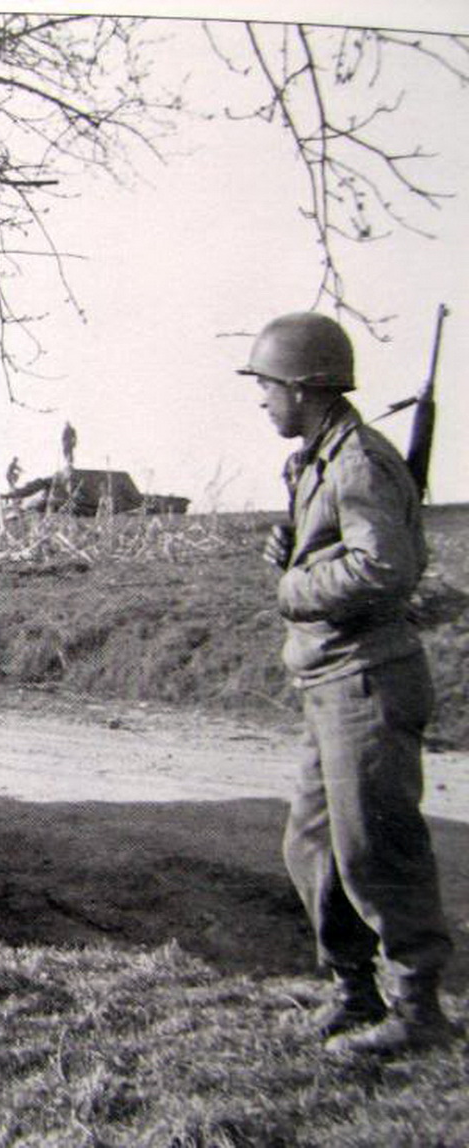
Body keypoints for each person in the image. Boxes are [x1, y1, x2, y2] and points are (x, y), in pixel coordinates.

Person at [237, 311, 454, 1055]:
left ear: (302, 387)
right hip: (330, 680)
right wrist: (291, 547)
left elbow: (385, 566)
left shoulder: (358, 460)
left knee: (375, 847)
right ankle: (354, 991)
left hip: (368, 681)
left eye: (266, 385)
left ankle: (418, 1008)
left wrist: (296, 586)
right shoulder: (318, 461)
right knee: (314, 845)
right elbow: (340, 545)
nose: (261, 399)